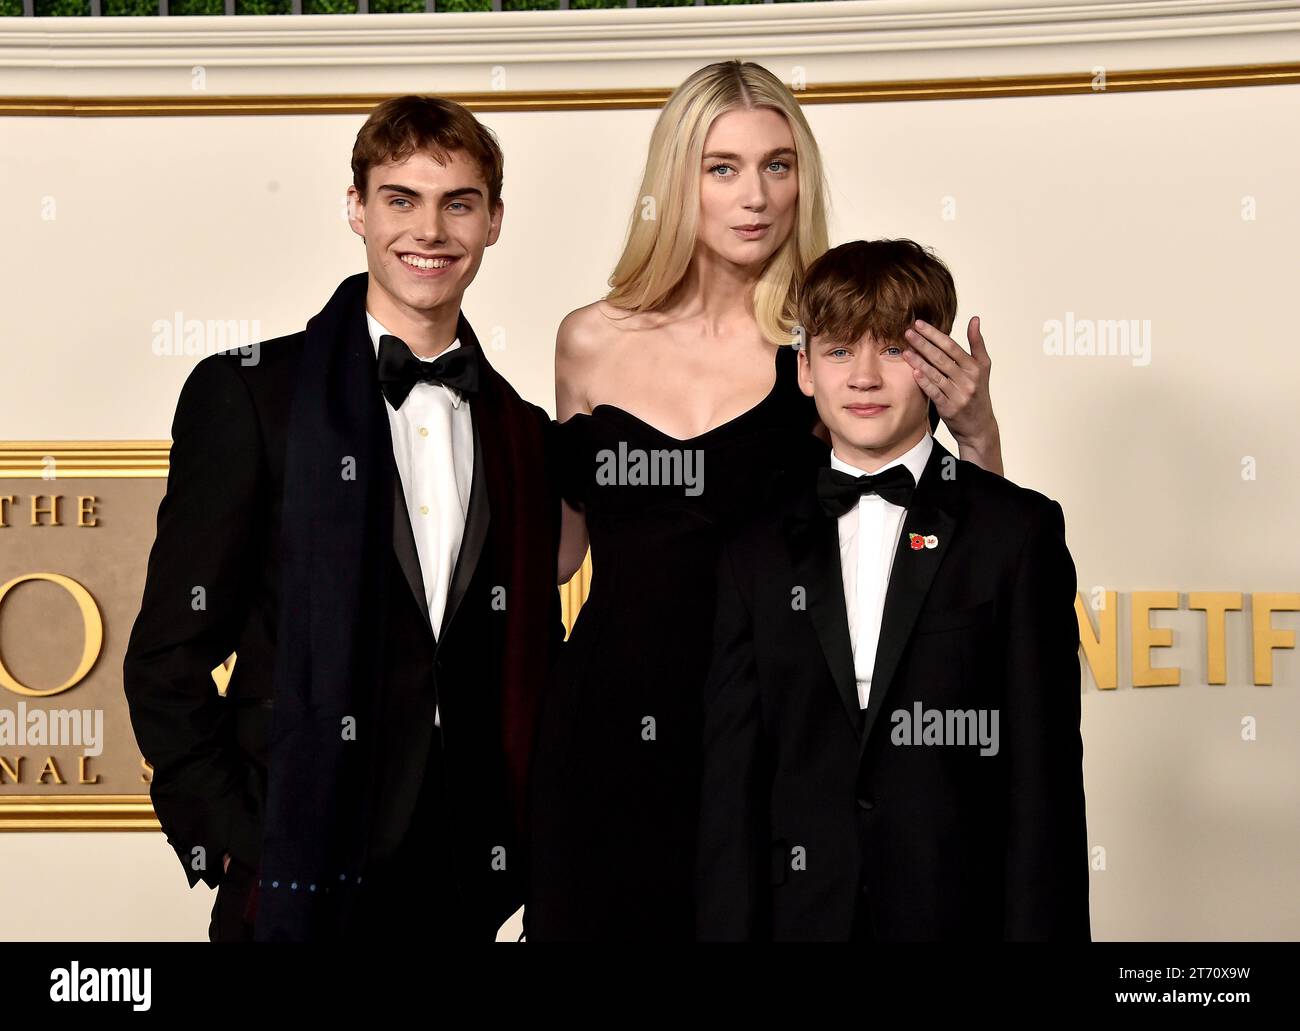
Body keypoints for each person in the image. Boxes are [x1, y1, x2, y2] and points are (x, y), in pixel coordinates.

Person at [524, 60, 1005, 940]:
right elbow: (559, 554)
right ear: (679, 182)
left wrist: (975, 436)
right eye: (725, 167)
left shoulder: (829, 343)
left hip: (773, 742)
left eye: (778, 165)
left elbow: (953, 546)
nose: (756, 195)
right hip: (601, 734)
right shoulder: (587, 339)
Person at [123, 95, 563, 942]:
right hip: (294, 861)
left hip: (464, 877)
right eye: (401, 199)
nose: (429, 230)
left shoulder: (516, 427)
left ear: (494, 221)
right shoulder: (251, 394)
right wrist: (240, 835)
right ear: (356, 209)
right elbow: (167, 656)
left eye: (458, 202)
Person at [695, 238, 1090, 940]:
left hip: (958, 920)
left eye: (896, 349)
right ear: (805, 371)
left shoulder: (1017, 531)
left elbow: (1046, 783)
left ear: (938, 365)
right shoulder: (751, 551)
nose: (866, 377)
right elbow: (732, 789)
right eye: (841, 351)